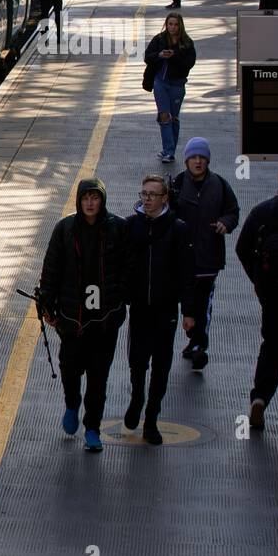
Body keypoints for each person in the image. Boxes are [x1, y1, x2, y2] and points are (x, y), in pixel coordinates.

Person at [39, 178, 129, 453]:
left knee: (98, 378)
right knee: (69, 368)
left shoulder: (117, 229)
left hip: (104, 320)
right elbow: (51, 268)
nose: (90, 203)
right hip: (72, 317)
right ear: (79, 201)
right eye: (85, 198)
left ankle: (92, 428)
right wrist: (47, 305)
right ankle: (71, 403)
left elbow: (127, 267)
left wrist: (119, 302)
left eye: (95, 197)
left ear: (102, 200)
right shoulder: (65, 229)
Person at [124, 174, 195, 445]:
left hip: (166, 310)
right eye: (144, 194)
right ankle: (137, 397)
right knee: (137, 362)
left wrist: (189, 311)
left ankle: (151, 419)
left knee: (161, 366)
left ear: (164, 198)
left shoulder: (178, 229)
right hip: (140, 308)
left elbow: (188, 272)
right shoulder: (131, 226)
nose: (147, 199)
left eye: (153, 195)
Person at [171, 138, 241, 372]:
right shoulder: (178, 184)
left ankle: (200, 345)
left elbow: (232, 211)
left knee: (204, 304)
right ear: (187, 160)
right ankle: (193, 335)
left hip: (208, 258)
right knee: (186, 302)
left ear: (207, 160)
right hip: (182, 259)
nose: (198, 161)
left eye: (202, 158)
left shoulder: (220, 185)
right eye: (194, 157)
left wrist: (225, 223)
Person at [235, 161, 278, 431]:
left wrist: (260, 284)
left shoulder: (264, 212)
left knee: (272, 348)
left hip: (276, 295)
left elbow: (242, 248)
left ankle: (259, 398)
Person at [143, 13, 196, 163]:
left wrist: (174, 56)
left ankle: (170, 148)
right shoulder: (159, 39)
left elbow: (189, 63)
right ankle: (169, 150)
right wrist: (160, 55)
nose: (172, 27)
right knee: (164, 115)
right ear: (166, 25)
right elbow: (147, 57)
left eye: (175, 24)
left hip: (177, 84)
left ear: (180, 26)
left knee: (174, 116)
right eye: (170, 24)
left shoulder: (186, 43)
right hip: (160, 82)